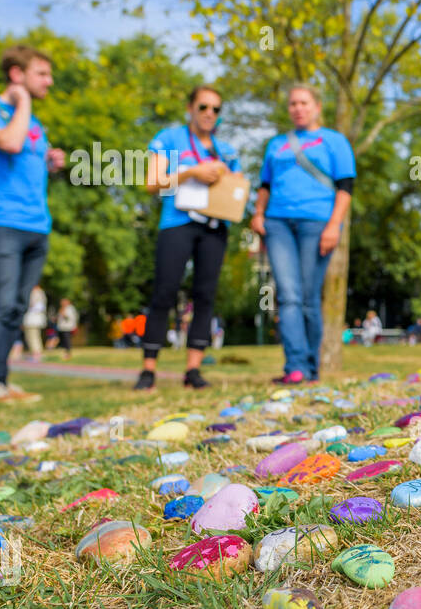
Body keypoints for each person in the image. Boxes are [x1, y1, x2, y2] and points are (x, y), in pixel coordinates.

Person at [0, 45, 66, 403]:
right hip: (2, 222)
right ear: (16, 74)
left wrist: (51, 160)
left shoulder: (35, 124)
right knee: (3, 302)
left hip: (37, 225)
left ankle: (3, 381)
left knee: (19, 306)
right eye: (41, 73)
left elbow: (28, 156)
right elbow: (9, 142)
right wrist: (22, 100)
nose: (49, 81)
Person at [135, 85, 241, 390]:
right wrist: (190, 172)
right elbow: (152, 184)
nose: (209, 114)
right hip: (178, 223)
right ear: (190, 108)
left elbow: (237, 187)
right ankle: (148, 369)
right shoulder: (170, 139)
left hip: (214, 226)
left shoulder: (226, 150)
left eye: (216, 109)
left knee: (205, 295)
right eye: (203, 107)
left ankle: (193, 369)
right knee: (164, 293)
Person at [252, 84, 356, 385]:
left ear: (317, 106)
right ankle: (295, 366)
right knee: (288, 295)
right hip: (278, 222)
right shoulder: (276, 144)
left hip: (317, 223)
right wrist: (258, 213)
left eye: (304, 102)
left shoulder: (334, 141)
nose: (298, 108)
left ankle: (311, 367)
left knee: (309, 296)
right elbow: (265, 185)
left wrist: (334, 225)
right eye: (293, 103)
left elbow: (345, 188)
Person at [22, 285, 47, 361]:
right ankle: (36, 354)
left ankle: (36, 355)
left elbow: (37, 306)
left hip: (33, 319)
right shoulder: (39, 292)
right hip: (33, 319)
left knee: (33, 337)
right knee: (33, 337)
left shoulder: (36, 292)